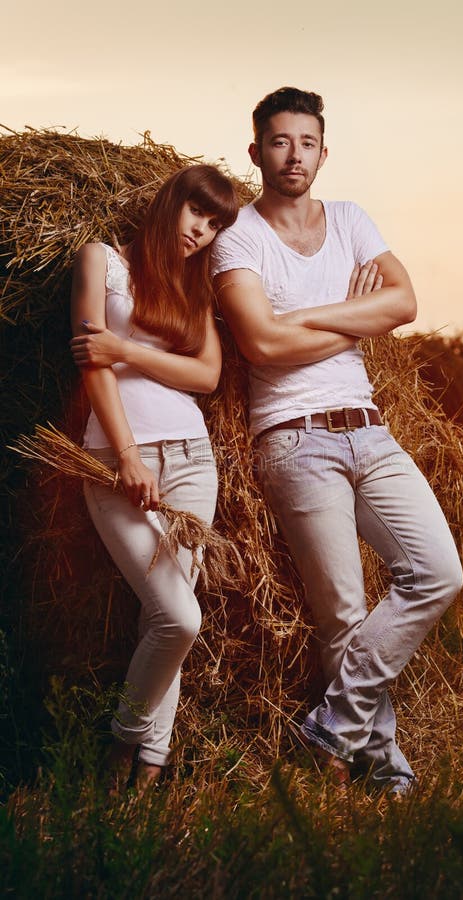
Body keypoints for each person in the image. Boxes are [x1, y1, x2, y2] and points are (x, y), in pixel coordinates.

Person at [211, 87, 463, 794]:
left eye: (309, 143)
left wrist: (306, 319)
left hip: (370, 430)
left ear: (325, 151)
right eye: (282, 142)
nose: (296, 155)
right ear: (256, 150)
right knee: (344, 616)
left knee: (438, 573)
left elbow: (405, 304)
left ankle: (329, 729)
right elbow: (261, 344)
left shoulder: (351, 220)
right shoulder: (238, 238)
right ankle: (384, 770)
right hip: (294, 441)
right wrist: (355, 314)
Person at [70, 164, 239, 792]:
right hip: (115, 464)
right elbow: (93, 364)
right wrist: (130, 458)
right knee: (179, 617)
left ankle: (145, 768)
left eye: (215, 223)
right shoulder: (101, 261)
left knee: (166, 617)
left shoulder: (194, 289)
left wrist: (129, 350)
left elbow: (207, 378)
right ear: (172, 203)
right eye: (198, 211)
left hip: (195, 460)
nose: (202, 230)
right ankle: (127, 743)